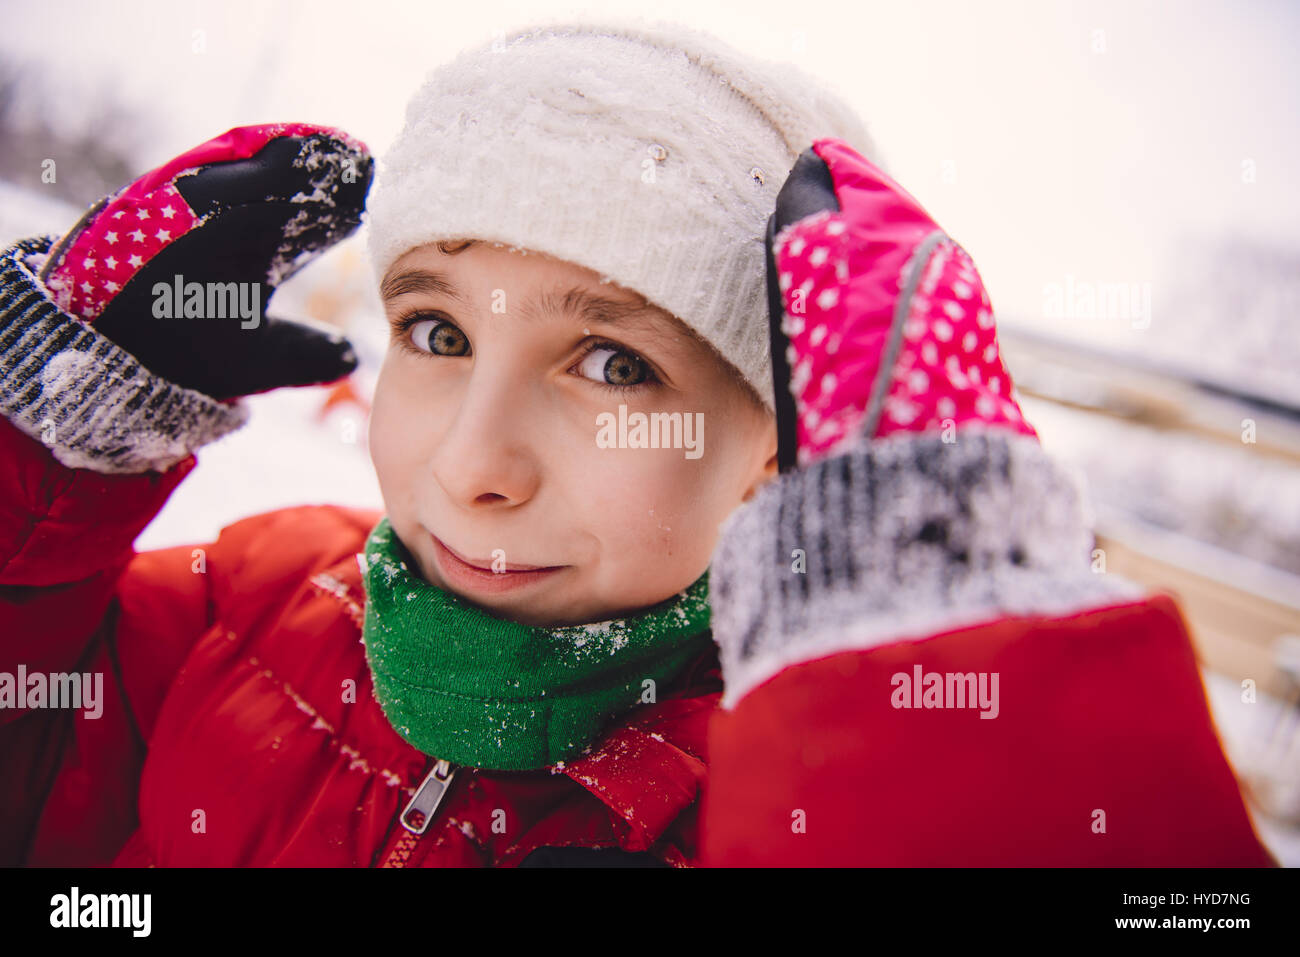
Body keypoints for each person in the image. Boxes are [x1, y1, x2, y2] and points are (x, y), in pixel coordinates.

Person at [0, 16, 1275, 867]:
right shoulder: (244, 602)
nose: (471, 465)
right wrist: (39, 446)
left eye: (612, 364)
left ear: (775, 453)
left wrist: (936, 675)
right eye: (438, 334)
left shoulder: (784, 809)